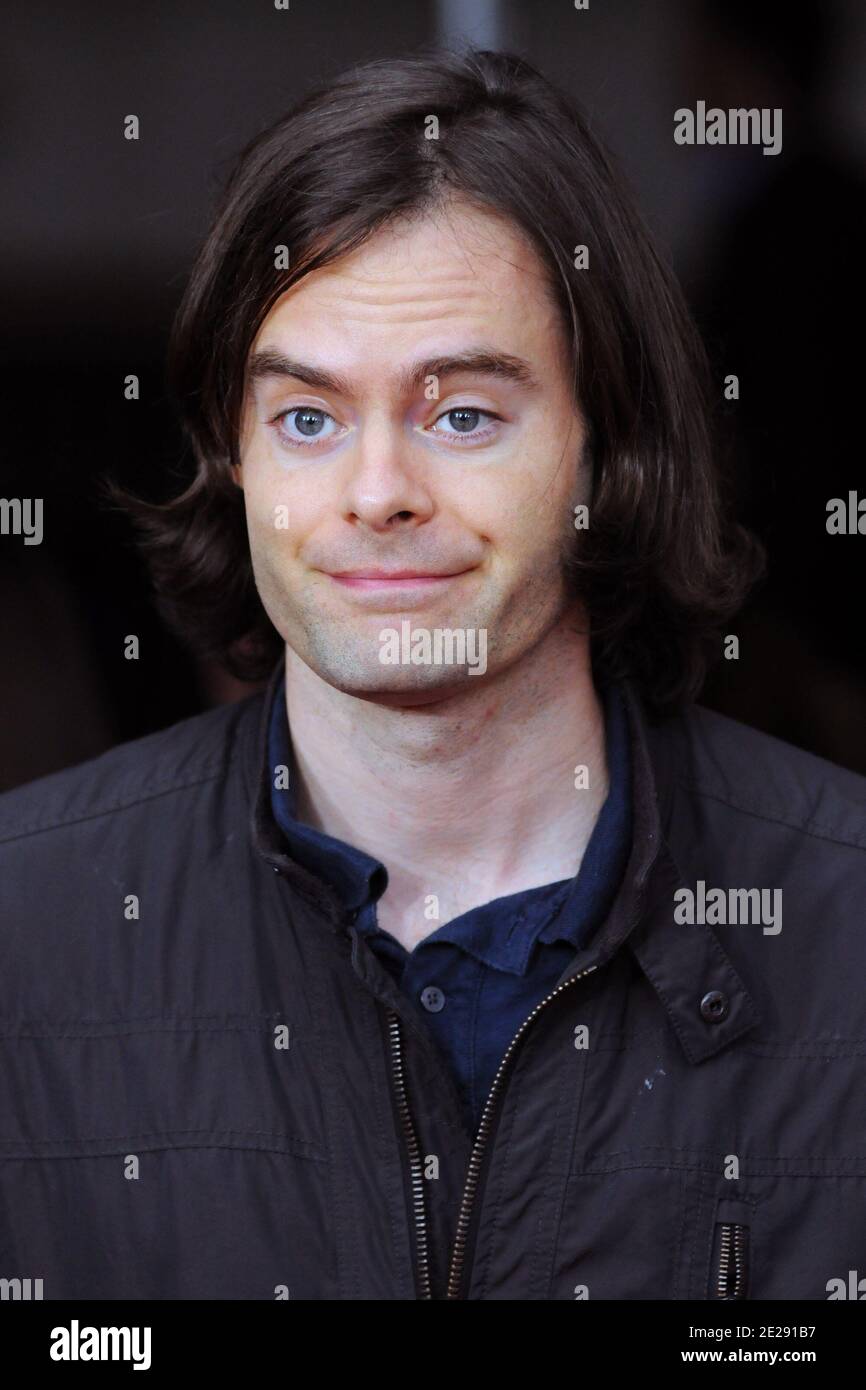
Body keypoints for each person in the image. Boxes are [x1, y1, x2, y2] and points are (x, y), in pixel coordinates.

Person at [1, 48, 863, 1302]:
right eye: (306, 418)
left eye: (461, 414)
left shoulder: (841, 917)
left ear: (608, 450)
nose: (376, 493)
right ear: (234, 457)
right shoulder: (26, 924)